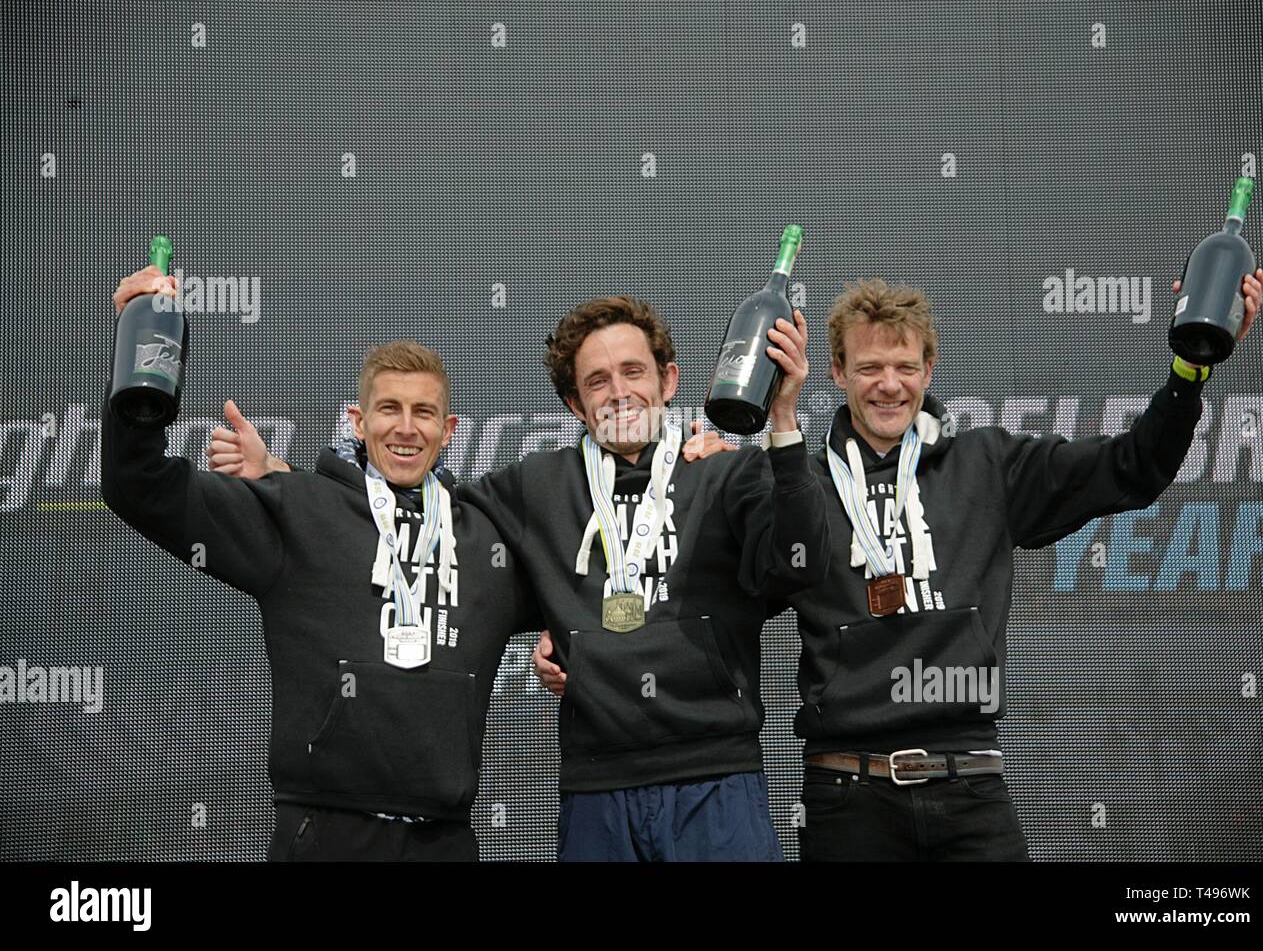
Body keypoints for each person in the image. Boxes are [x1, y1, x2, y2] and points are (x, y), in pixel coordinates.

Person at [535, 269, 1263, 861]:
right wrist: (578, 641)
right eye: (869, 367)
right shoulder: (792, 482)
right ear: (837, 372)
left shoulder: (990, 463)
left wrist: (1190, 369)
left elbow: (1132, 469)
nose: (888, 384)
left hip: (972, 789)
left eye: (903, 366)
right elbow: (696, 597)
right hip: (847, 798)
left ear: (929, 368)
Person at [210, 295, 831, 861]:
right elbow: (414, 512)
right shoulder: (534, 487)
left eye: (633, 372)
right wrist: (288, 476)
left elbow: (801, 562)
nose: (618, 393)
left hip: (716, 778)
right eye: (597, 380)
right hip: (598, 789)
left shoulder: (724, 474)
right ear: (573, 403)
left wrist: (782, 422)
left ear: (668, 381)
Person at [104, 266, 537, 861]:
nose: (406, 428)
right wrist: (141, 356)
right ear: (357, 423)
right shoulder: (297, 511)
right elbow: (139, 485)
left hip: (445, 842)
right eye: (388, 409)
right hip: (324, 835)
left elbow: (589, 589)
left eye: (424, 412)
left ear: (449, 429)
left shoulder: (487, 535)